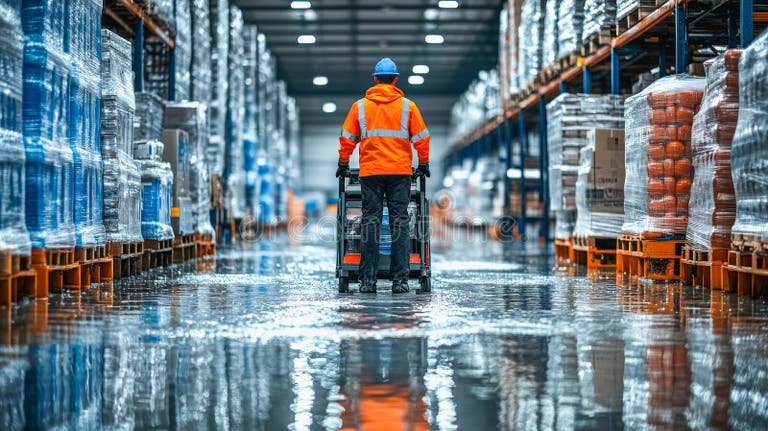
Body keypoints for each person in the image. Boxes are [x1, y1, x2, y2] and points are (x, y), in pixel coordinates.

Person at [336, 58, 431, 294]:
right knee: (400, 222)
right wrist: (424, 162)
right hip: (400, 172)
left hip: (371, 172)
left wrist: (343, 161)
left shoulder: (360, 107)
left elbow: (347, 137)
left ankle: (367, 282)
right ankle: (400, 281)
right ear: (396, 80)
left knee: (371, 222)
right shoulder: (408, 106)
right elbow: (422, 138)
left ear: (375, 80)